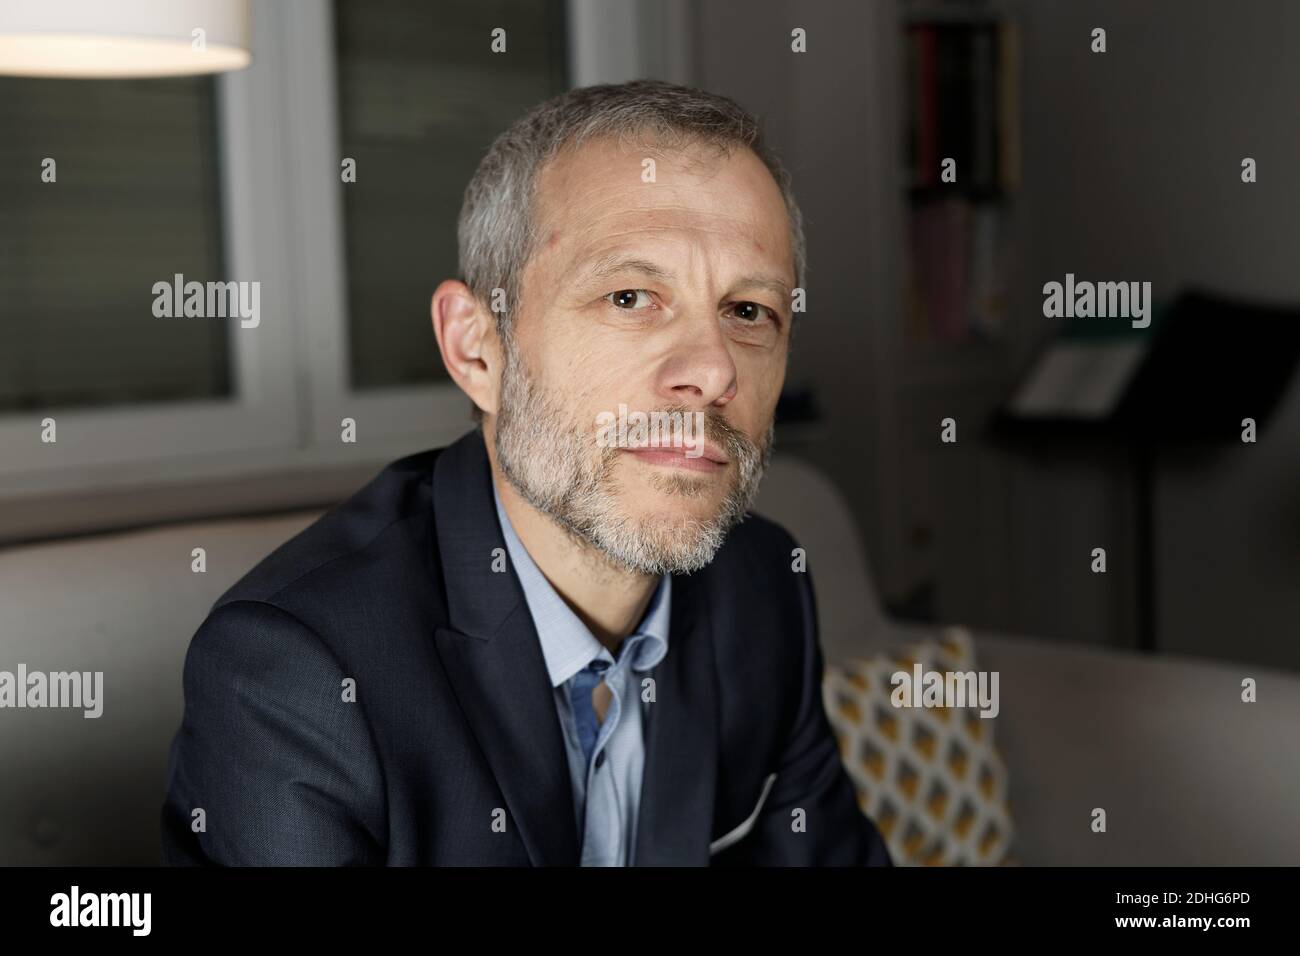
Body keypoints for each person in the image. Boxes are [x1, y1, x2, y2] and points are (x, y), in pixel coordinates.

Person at [161, 79, 891, 867]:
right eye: (631, 296)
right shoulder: (295, 671)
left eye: (750, 311)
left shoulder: (765, 587)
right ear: (477, 349)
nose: (713, 370)